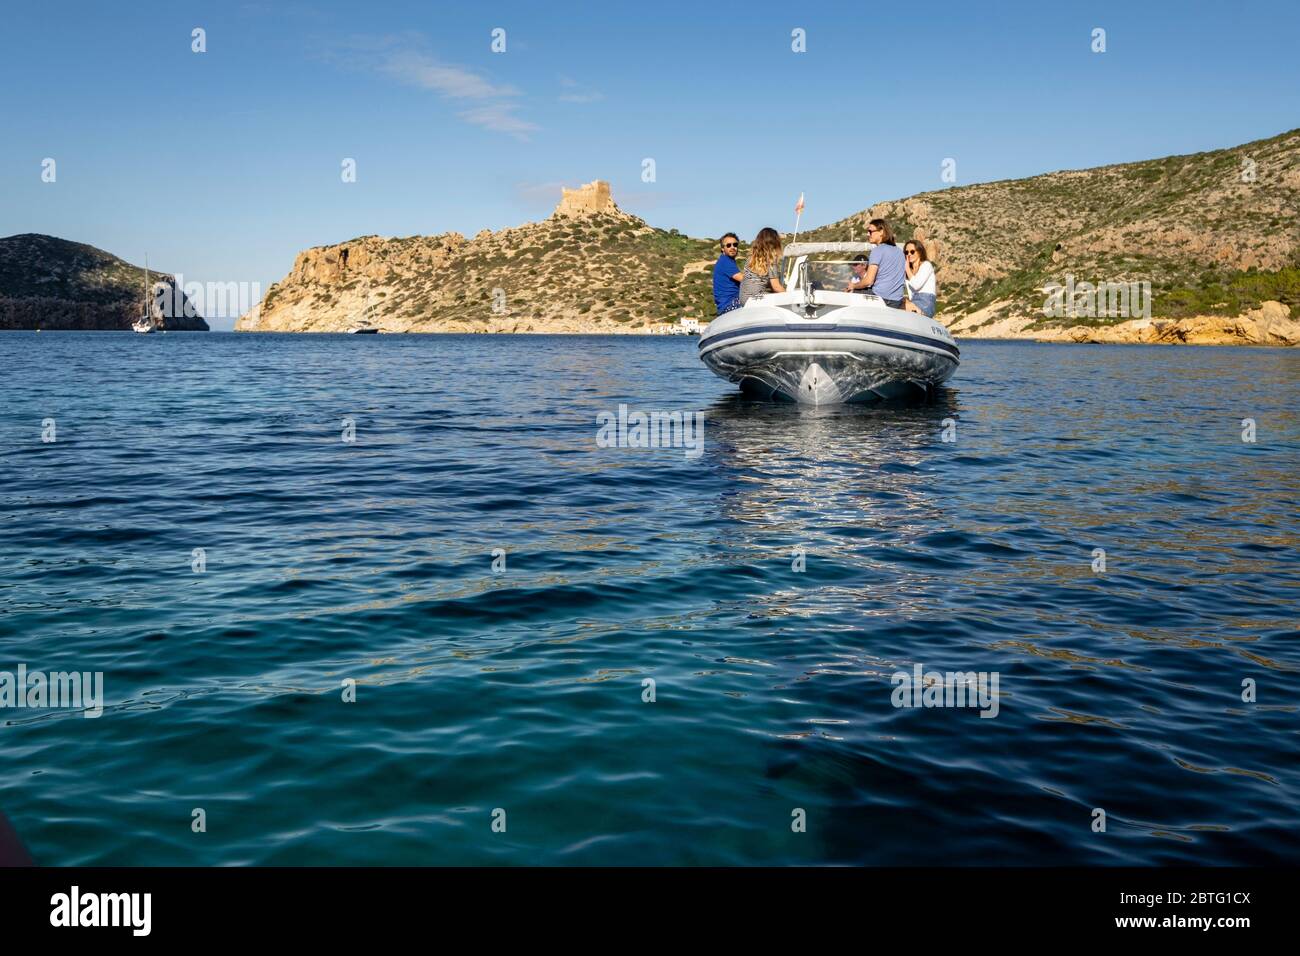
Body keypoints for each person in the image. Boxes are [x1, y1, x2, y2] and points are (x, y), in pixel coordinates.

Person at [845, 219, 905, 308]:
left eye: (870, 231)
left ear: (881, 232)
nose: (868, 234)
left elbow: (868, 280)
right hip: (896, 301)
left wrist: (853, 285)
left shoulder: (877, 250)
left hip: (880, 298)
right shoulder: (900, 252)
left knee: (847, 293)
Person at [739, 227, 786, 305]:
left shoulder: (751, 258)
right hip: (755, 299)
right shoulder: (770, 260)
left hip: (744, 299)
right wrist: (789, 296)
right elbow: (776, 287)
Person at [902, 240, 937, 317]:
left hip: (926, 304)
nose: (909, 254)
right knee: (894, 303)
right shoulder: (909, 271)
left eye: (912, 251)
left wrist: (907, 268)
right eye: (906, 252)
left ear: (920, 252)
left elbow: (916, 285)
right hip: (914, 302)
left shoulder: (926, 265)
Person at [712, 233, 743, 315]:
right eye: (728, 245)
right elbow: (745, 280)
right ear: (722, 248)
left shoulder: (728, 261)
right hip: (729, 305)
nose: (732, 247)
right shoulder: (725, 261)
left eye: (735, 244)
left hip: (728, 305)